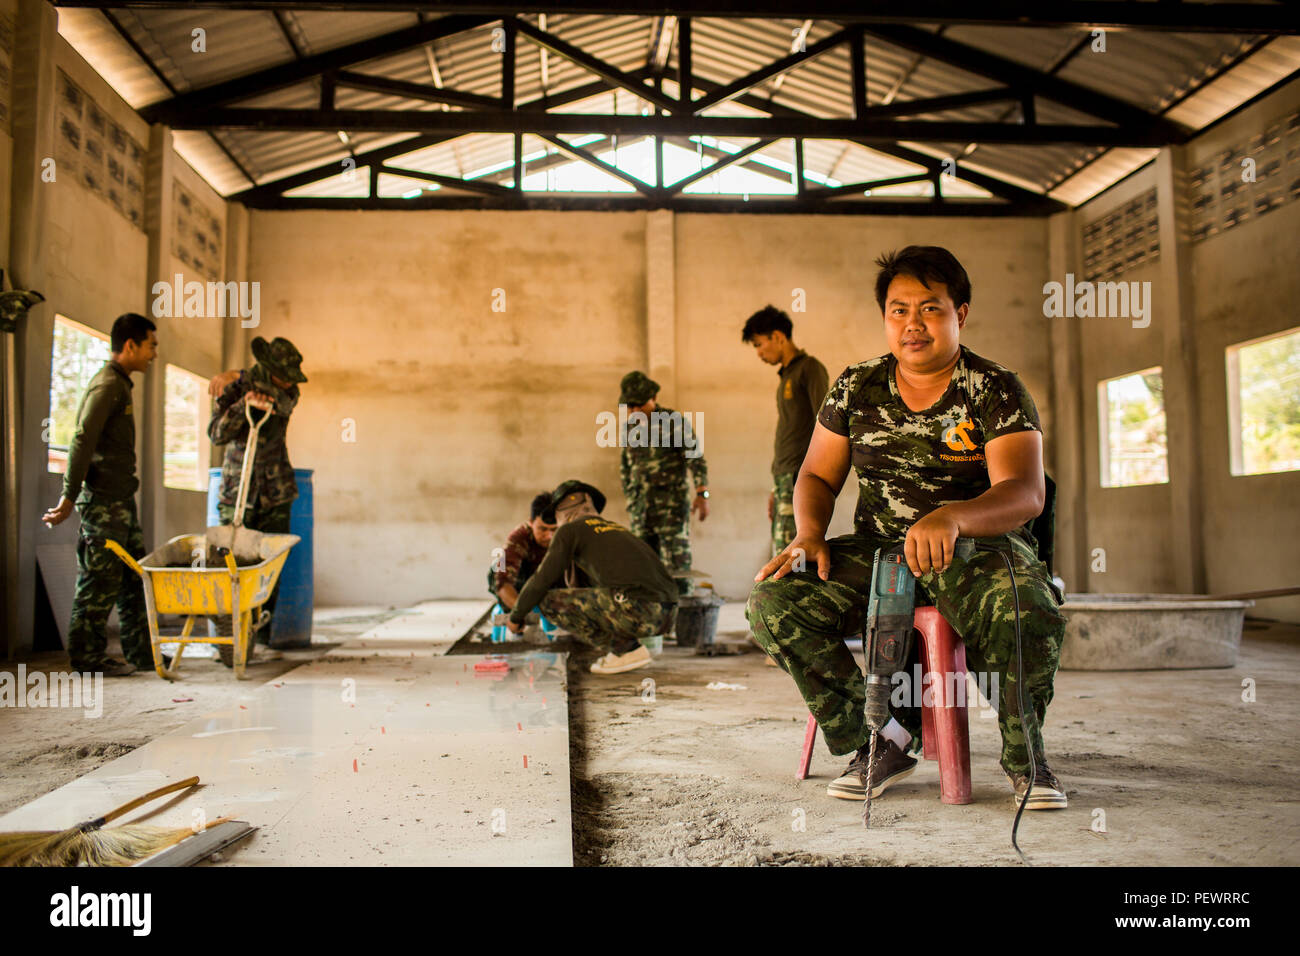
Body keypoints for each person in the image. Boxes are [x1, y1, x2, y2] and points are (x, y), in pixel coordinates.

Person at [747, 245, 1069, 811]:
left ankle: (1026, 759)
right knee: (775, 599)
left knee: (1026, 606)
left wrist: (953, 517)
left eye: (929, 308)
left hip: (976, 549)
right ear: (884, 317)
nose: (912, 324)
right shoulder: (856, 386)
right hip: (880, 553)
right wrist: (809, 531)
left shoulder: (994, 387)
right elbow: (817, 475)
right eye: (899, 310)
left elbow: (1025, 492)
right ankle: (883, 738)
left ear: (959, 313)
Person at [41, 313, 159, 676]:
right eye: (151, 346)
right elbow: (81, 439)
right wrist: (68, 495)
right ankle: (87, 660)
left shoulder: (121, 385)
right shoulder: (106, 386)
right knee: (98, 582)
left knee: (135, 579)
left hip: (122, 502)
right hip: (103, 504)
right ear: (131, 345)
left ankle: (142, 654)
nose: (153, 354)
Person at [507, 480, 678, 675]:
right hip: (669, 614)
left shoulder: (569, 531)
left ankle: (626, 651)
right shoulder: (615, 528)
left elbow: (541, 580)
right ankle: (628, 649)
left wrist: (516, 616)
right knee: (600, 595)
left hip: (643, 612)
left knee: (549, 601)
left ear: (560, 513)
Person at [207, 336, 306, 658]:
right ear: (269, 367)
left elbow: (285, 402)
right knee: (230, 564)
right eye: (284, 373)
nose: (290, 380)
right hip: (238, 491)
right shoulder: (235, 389)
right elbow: (217, 434)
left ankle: (258, 632)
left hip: (276, 491)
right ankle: (231, 633)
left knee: (270, 567)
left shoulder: (288, 390)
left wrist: (238, 376)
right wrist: (241, 403)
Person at [742, 305, 828, 558]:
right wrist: (776, 488)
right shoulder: (787, 376)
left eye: (759, 344)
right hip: (784, 480)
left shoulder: (810, 369)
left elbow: (826, 424)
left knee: (792, 556)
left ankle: (800, 599)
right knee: (782, 550)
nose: (759, 353)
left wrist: (808, 480)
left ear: (778, 337)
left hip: (798, 478)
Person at [617, 371, 709, 597]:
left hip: (671, 510)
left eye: (640, 405)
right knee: (644, 567)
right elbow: (626, 467)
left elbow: (695, 457)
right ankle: (653, 623)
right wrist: (631, 497)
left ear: (653, 397)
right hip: (641, 511)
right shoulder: (630, 428)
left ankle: (682, 619)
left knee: (677, 566)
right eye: (630, 407)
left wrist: (702, 494)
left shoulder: (674, 422)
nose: (635, 411)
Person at [489, 492, 557, 611]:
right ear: (531, 522)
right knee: (498, 566)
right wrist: (519, 613)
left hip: (552, 586)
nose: (549, 536)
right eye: (543, 529)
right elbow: (502, 580)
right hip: (524, 584)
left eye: (554, 529)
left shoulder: (568, 535)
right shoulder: (520, 537)